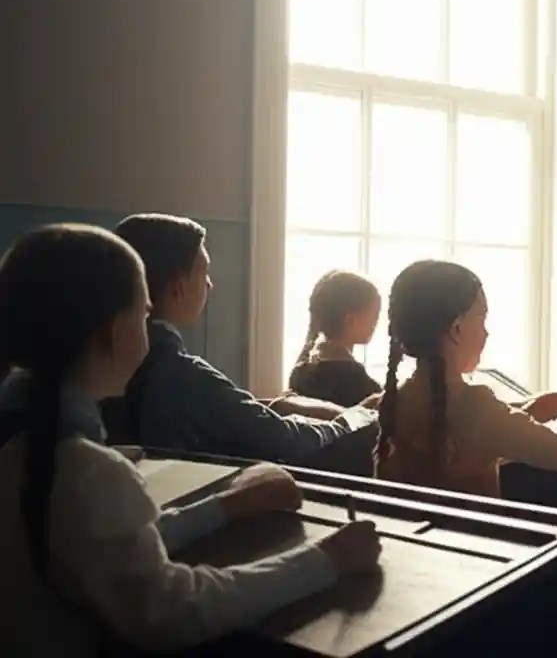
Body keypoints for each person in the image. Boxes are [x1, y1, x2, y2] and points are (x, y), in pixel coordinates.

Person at [0, 223, 381, 657]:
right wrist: (326, 559)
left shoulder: (28, 444)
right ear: (111, 333)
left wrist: (223, 507)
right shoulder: (89, 472)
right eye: (144, 315)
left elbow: (112, 541)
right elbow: (177, 609)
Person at [111, 213, 376, 464]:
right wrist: (355, 417)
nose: (209, 285)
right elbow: (286, 440)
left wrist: (273, 405)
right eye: (204, 273)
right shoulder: (179, 375)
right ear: (179, 287)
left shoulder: (108, 364)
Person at [373, 259, 557, 497]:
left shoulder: (390, 401)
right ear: (456, 329)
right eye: (481, 317)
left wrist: (520, 413)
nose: (486, 331)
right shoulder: (478, 408)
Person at [288, 269, 382, 407]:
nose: (377, 321)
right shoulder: (358, 382)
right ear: (351, 320)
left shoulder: (300, 373)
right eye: (374, 314)